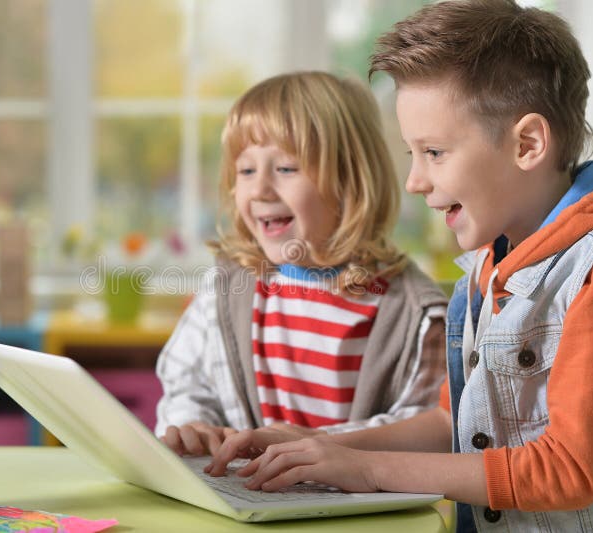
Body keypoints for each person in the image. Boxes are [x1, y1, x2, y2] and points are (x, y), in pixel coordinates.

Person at [206, 1, 593, 531]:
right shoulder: (489, 260)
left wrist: (367, 468)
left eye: (433, 152)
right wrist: (322, 445)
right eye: (413, 154)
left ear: (527, 144)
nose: (415, 181)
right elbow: (448, 421)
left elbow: (568, 471)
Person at [155, 71, 448, 457]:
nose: (260, 189)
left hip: (355, 512)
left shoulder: (414, 314)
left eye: (286, 169)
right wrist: (193, 425)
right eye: (246, 171)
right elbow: (186, 385)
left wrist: (318, 447)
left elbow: (424, 429)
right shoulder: (227, 288)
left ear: (351, 181)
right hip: (244, 500)